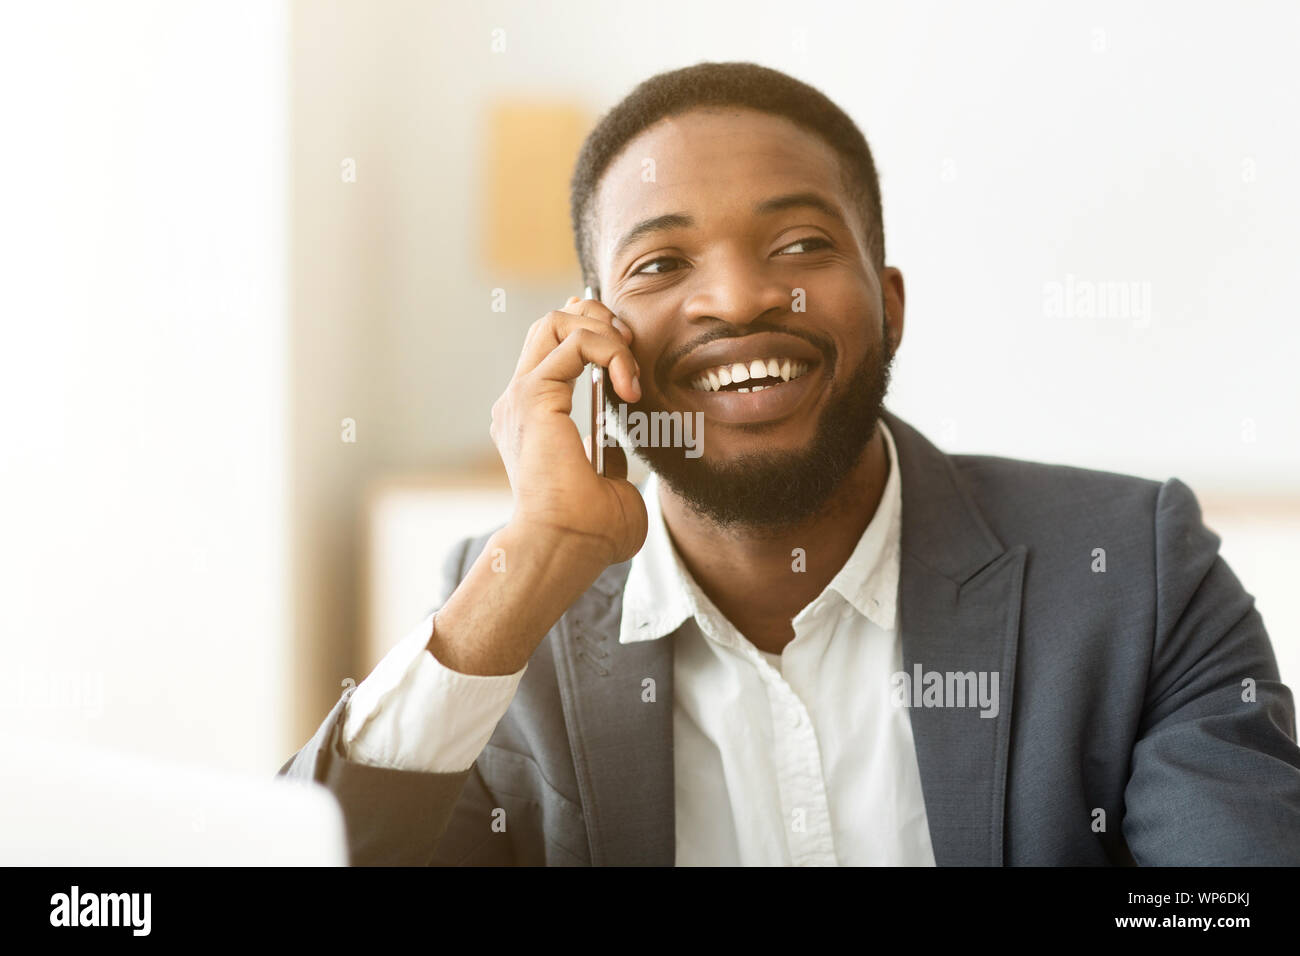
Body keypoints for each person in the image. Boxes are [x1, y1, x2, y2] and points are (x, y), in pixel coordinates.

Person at [279, 61, 1300, 866]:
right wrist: (535, 559)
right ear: (593, 336)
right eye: (661, 263)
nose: (736, 299)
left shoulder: (1134, 570)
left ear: (888, 303)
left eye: (801, 244)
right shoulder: (505, 611)